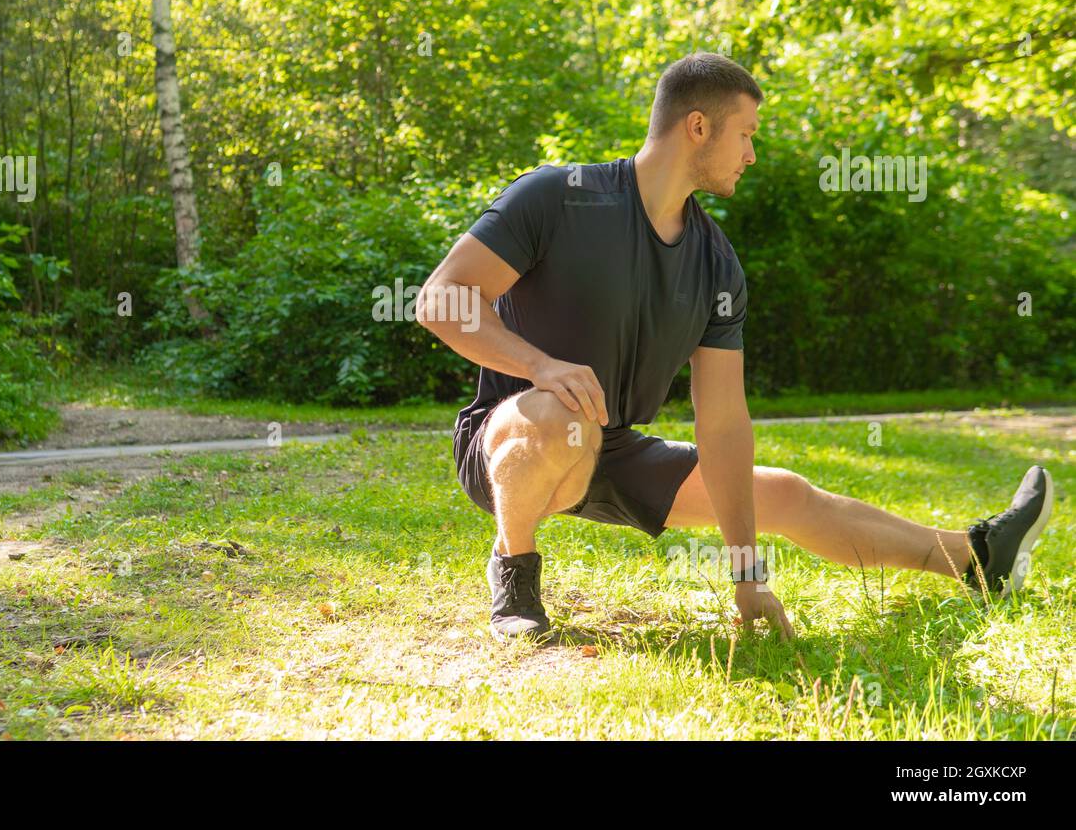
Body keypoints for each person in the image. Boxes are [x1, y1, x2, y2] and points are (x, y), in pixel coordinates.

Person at [415, 51, 1055, 642]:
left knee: (786, 494)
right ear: (698, 126)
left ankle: (975, 558)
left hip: (609, 448)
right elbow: (441, 300)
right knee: (560, 410)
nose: (751, 154)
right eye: (745, 134)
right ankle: (515, 579)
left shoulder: (715, 262)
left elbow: (722, 422)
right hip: (510, 440)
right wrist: (540, 366)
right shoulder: (558, 197)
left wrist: (747, 574)